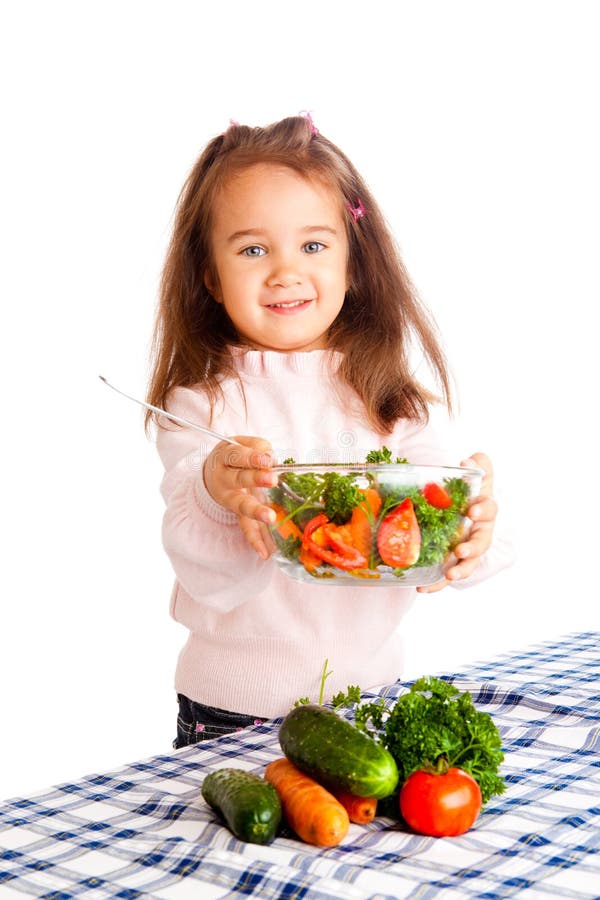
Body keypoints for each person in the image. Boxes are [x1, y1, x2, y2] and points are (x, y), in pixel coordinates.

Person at [146, 114, 514, 748]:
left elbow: (436, 552)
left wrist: (469, 527)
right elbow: (207, 572)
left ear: (353, 263)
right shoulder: (198, 406)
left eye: (312, 246)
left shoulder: (394, 404)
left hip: (367, 704)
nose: (285, 272)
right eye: (253, 249)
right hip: (231, 712)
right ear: (210, 275)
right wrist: (215, 488)